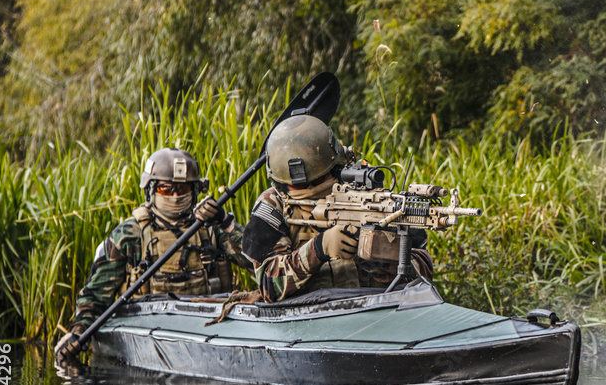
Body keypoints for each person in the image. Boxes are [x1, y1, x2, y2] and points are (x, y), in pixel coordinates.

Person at [54, 148, 252, 360]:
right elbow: (95, 296)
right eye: (167, 190)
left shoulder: (211, 228)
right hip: (147, 336)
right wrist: (77, 332)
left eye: (182, 189)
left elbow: (256, 263)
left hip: (207, 330)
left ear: (194, 191)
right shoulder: (129, 234)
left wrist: (226, 222)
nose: (175, 196)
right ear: (152, 191)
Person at [241, 115, 432, 302]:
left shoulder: (367, 193)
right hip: (309, 320)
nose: (311, 190)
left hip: (374, 312)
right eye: (299, 186)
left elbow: (424, 267)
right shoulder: (274, 204)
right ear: (281, 183)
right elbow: (269, 285)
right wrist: (318, 249)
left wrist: (380, 257)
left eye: (319, 180)